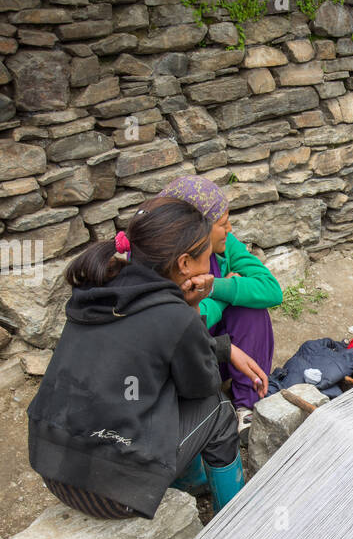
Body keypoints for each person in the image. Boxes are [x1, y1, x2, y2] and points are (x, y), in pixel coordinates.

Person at [27, 197, 267, 520]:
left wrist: (224, 348)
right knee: (219, 409)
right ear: (184, 264)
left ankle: (187, 478)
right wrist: (194, 308)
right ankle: (237, 523)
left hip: (52, 463)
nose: (210, 267)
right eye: (207, 260)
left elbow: (149, 346)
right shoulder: (174, 315)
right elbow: (201, 386)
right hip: (112, 494)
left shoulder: (102, 283)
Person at [156, 175, 281, 437]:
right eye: (223, 224)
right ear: (196, 230)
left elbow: (271, 289)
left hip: (217, 351)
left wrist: (214, 287)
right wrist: (224, 294)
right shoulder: (159, 259)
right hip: (181, 359)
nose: (230, 229)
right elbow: (187, 320)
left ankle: (246, 404)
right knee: (237, 297)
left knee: (251, 306)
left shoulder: (223, 245)